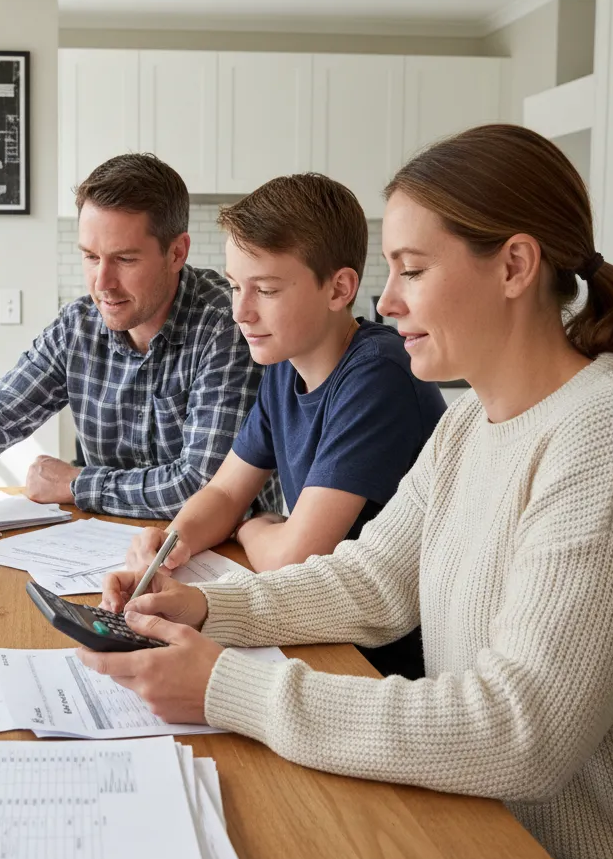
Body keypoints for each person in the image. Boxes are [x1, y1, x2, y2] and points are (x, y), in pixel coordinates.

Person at [89, 124, 613, 859]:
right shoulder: (470, 424)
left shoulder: (601, 431)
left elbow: (523, 733)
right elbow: (373, 579)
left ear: (515, 266)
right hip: (480, 825)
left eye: (412, 270)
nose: (388, 301)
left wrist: (228, 687)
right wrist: (204, 612)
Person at [0, 153, 279, 527]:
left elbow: (203, 489)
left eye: (124, 259)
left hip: (223, 555)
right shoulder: (80, 325)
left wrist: (75, 484)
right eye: (89, 256)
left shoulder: (229, 324)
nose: (102, 282)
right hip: (108, 548)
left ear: (177, 252)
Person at [125, 173, 445, 679]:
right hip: (319, 627)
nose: (241, 312)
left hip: (379, 658)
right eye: (234, 287)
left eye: (267, 290)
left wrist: (253, 525)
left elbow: (293, 556)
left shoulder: (378, 374)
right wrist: (174, 540)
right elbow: (227, 492)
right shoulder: (284, 364)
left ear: (339, 288)